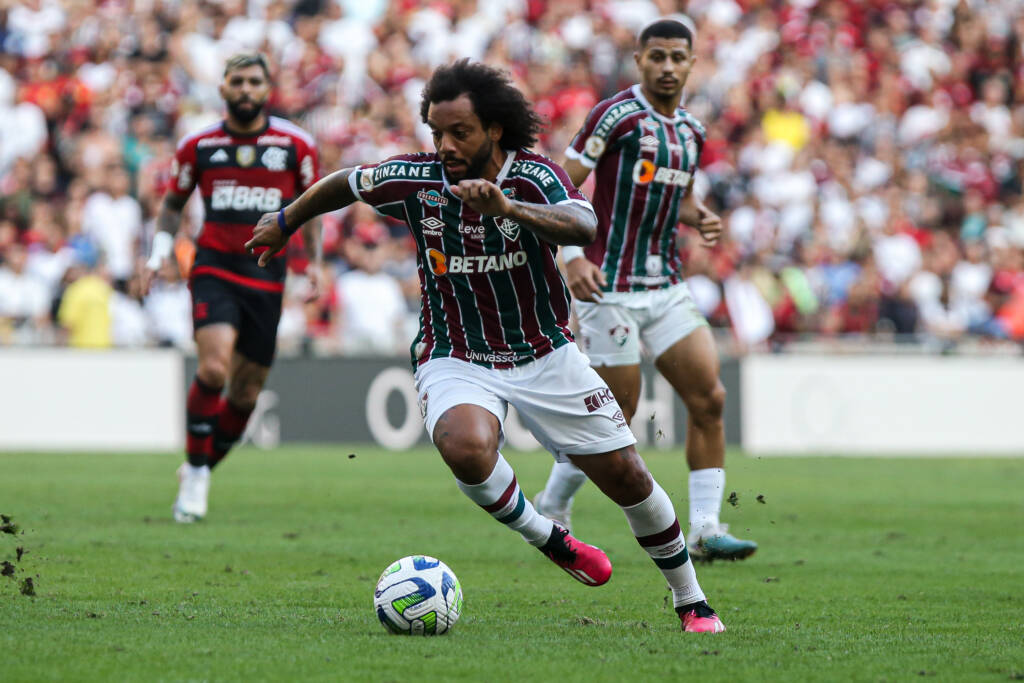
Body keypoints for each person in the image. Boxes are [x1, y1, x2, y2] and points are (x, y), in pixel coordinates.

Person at [246, 59, 725, 633]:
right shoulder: (419, 179)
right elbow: (347, 181)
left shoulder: (534, 177)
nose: (445, 145)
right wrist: (285, 218)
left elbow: (582, 225)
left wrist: (508, 209)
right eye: (436, 132)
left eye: (459, 133)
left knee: (627, 476)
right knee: (465, 445)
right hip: (456, 352)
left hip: (545, 351)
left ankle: (690, 599)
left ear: (494, 129)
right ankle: (549, 537)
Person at [533, 18, 758, 562]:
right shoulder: (615, 115)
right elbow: (560, 184)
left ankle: (705, 528)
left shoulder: (691, 132)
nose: (667, 67)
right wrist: (570, 256)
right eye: (656, 56)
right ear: (639, 59)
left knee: (709, 398)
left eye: (677, 58)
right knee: (618, 413)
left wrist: (698, 217)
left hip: (665, 284)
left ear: (691, 63)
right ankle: (552, 503)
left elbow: (676, 197)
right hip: (609, 284)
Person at [142, 53, 322, 523]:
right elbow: (172, 204)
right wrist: (159, 253)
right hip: (214, 268)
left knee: (245, 395)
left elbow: (312, 208)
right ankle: (198, 476)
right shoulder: (199, 144)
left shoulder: (296, 144)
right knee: (215, 368)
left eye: (254, 82)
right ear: (223, 88)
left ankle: (199, 468)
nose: (245, 89)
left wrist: (315, 264)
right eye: (237, 81)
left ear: (268, 88)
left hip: (267, 276)